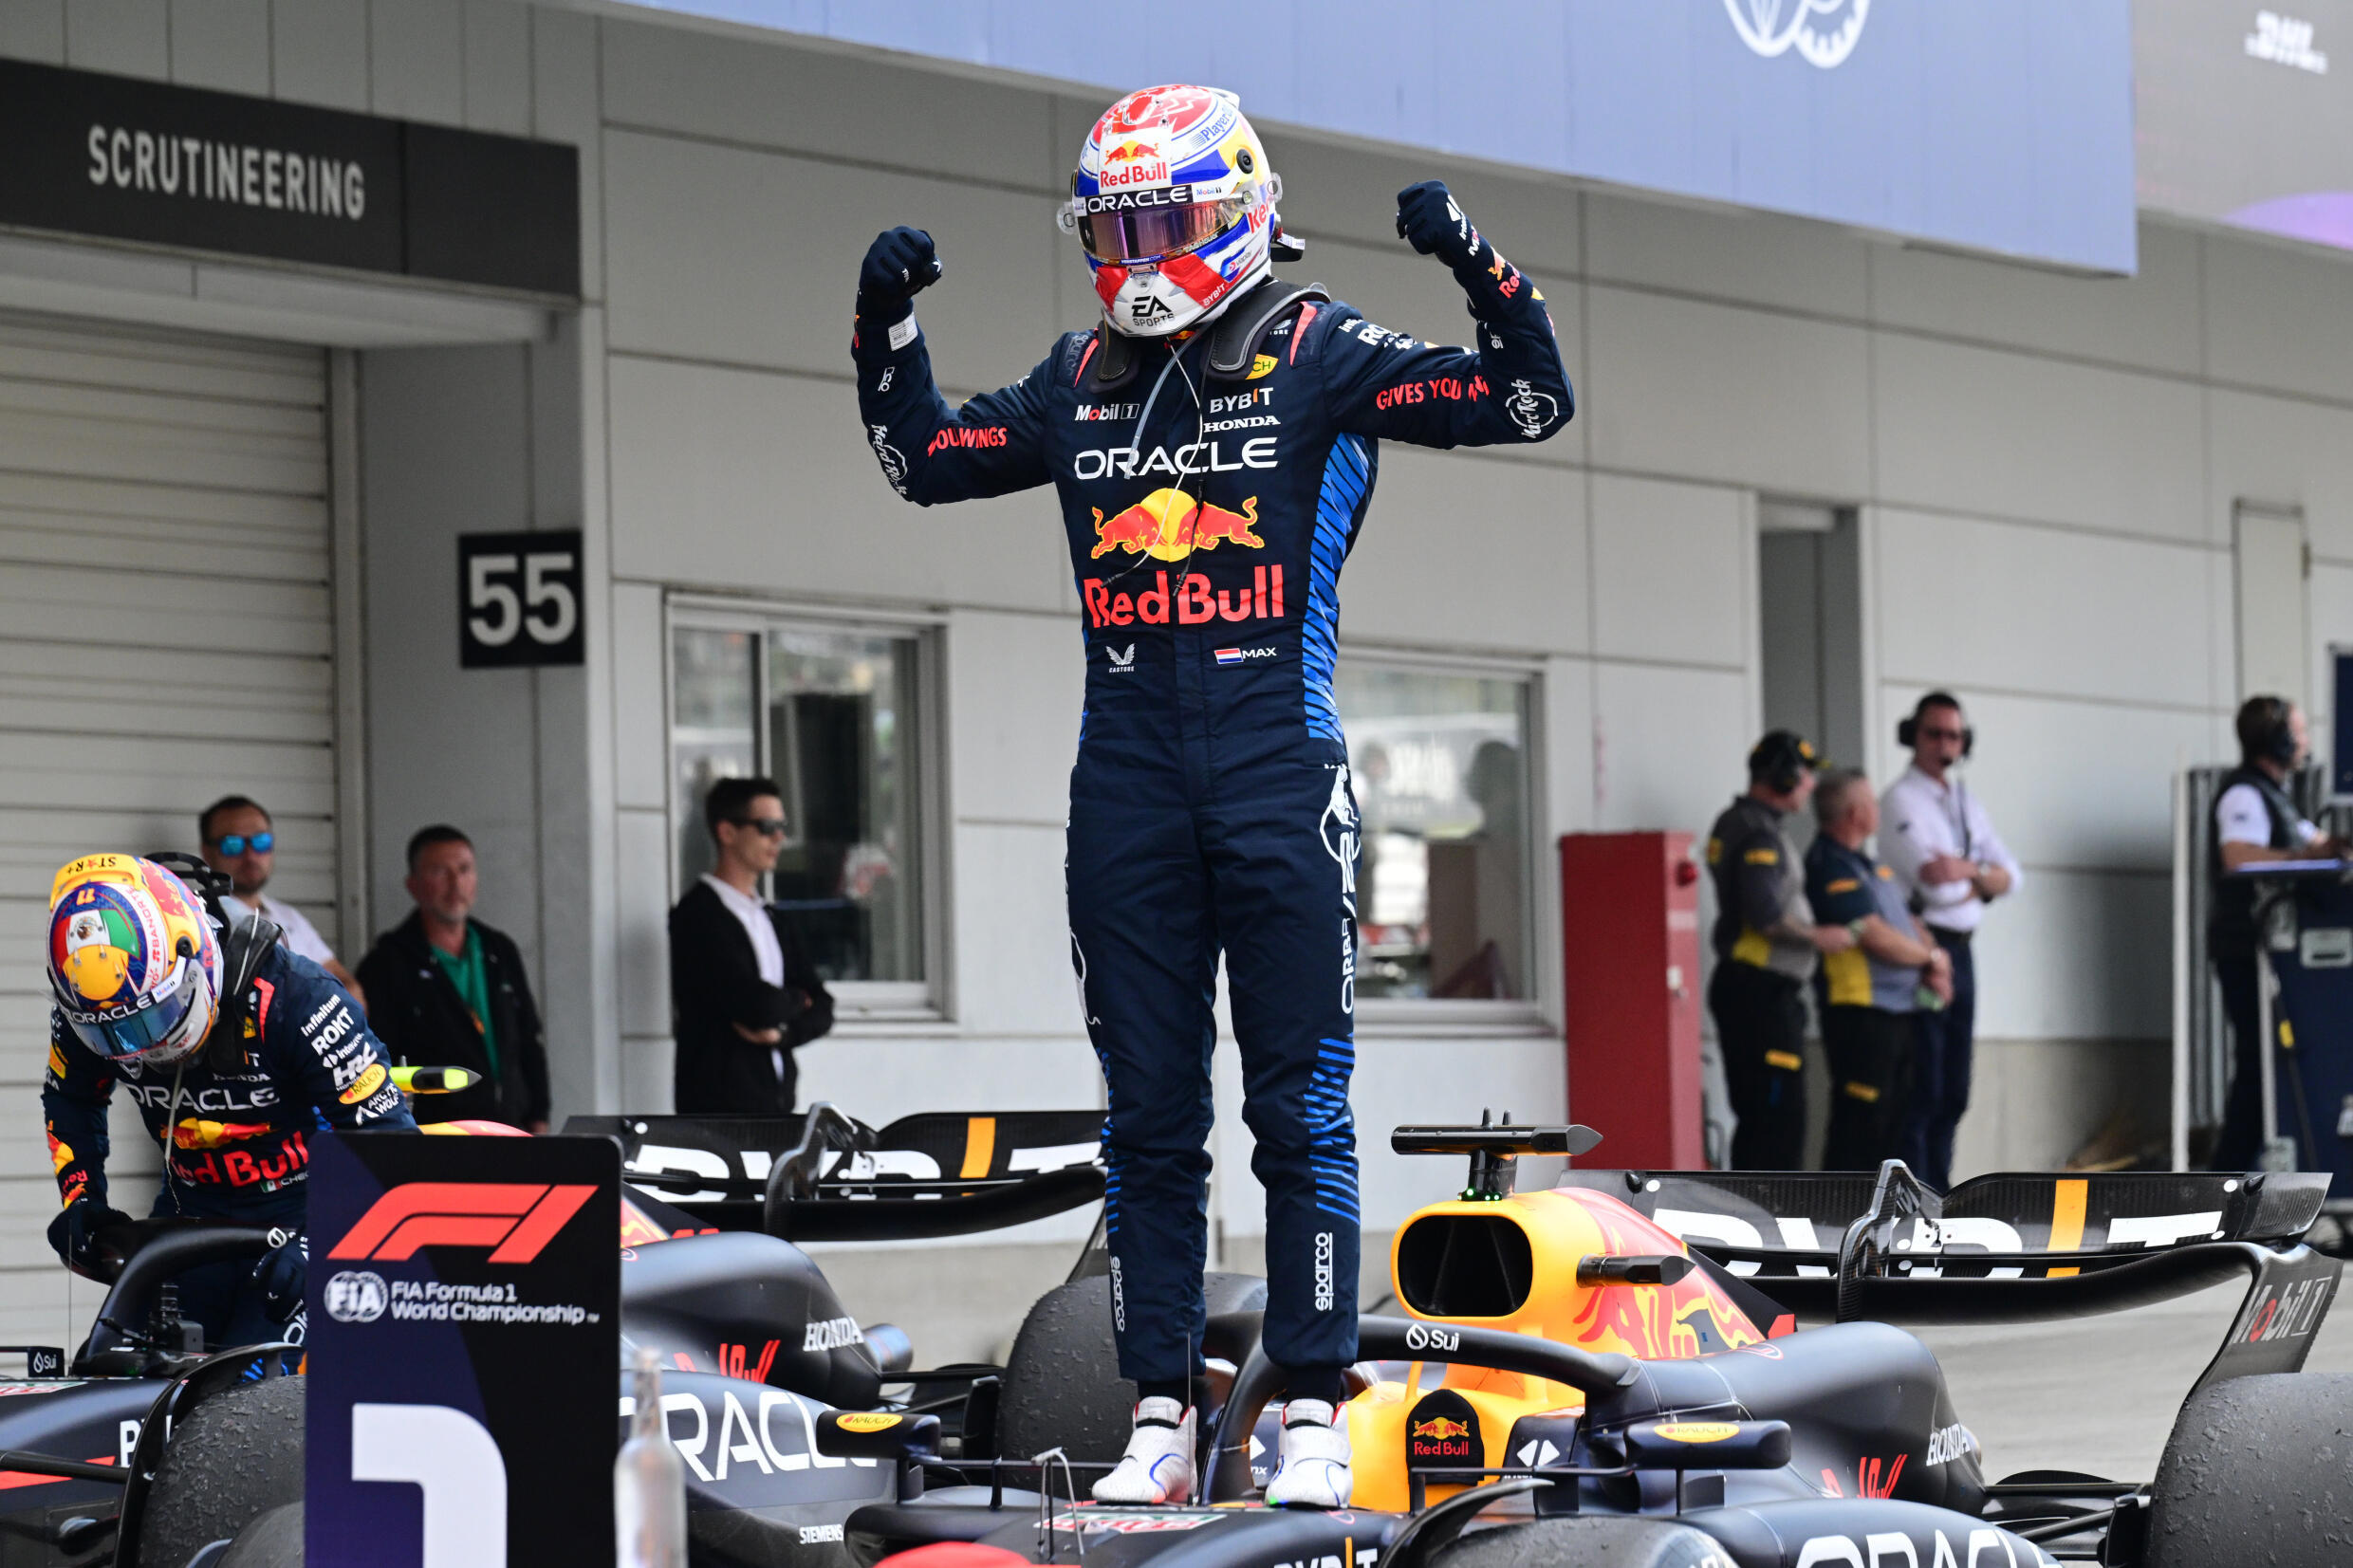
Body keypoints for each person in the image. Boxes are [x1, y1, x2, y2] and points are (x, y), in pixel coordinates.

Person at [854, 83, 1572, 1507]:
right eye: (1113, 223)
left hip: (1275, 774)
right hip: (1122, 786)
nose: (1135, 249)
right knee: (1147, 1120)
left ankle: (1311, 1402)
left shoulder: (1318, 349)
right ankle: (1160, 1409)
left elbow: (1530, 397)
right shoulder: (1077, 379)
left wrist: (1475, 258)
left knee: (1298, 1107)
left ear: (1236, 211)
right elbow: (923, 459)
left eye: (1162, 218)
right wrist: (886, 326)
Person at [43, 853, 416, 1349]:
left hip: (304, 1211)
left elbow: (392, 1146)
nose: (138, 1046)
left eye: (150, 1020)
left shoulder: (296, 997)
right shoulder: (89, 1000)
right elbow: (70, 1099)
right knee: (126, 1372)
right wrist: (83, 1199)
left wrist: (329, 1242)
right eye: (114, 1033)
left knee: (246, 1394)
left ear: (193, 958)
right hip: (190, 1209)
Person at [1878, 693, 2021, 1191]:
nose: (1944, 745)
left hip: (1963, 947)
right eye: (1933, 733)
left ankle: (1940, 1194)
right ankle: (1913, 1199)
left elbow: (2013, 876)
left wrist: (1968, 870)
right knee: (1925, 1086)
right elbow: (1935, 882)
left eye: (1953, 736)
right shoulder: (1900, 799)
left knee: (1955, 1088)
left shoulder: (1965, 802)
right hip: (1923, 948)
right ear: (1911, 736)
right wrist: (1980, 876)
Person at [1704, 731, 1856, 1170]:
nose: (1811, 786)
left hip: (1753, 992)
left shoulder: (1741, 822)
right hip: (1762, 995)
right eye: (1806, 775)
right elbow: (1766, 914)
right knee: (1776, 1121)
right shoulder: (1757, 833)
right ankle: (1765, 1225)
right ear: (1785, 776)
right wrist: (1818, 936)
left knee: (1765, 1117)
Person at [2207, 696, 2344, 1171]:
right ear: (2278, 739)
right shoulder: (2244, 793)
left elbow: (2316, 842)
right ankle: (2226, 1179)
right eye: (2300, 732)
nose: (2306, 742)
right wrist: (2305, 860)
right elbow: (2238, 856)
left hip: (2273, 955)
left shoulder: (2277, 796)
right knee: (2257, 1069)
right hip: (2249, 951)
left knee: (2274, 1068)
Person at [355, 825, 552, 1133]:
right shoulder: (386, 963)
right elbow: (376, 1062)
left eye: (464, 870)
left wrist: (539, 1117)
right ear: (413, 885)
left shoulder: (499, 949)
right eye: (439, 872)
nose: (455, 883)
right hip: (433, 1139)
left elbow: (530, 1039)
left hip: (511, 1132)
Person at [1805, 771, 1953, 1171]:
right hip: (1861, 1013)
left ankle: (1884, 1221)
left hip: (1897, 1012)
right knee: (1861, 1127)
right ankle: (1842, 1220)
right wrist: (1931, 961)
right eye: (1871, 803)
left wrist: (1935, 960)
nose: (1878, 810)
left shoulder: (1866, 863)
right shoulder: (1829, 864)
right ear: (1855, 814)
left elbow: (1908, 920)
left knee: (1894, 1123)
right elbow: (1875, 935)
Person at [670, 777, 835, 1115]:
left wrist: (783, 1035)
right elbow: (757, 1005)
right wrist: (795, 999)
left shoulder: (771, 917)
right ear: (727, 832)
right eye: (767, 826)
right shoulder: (698, 915)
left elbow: (824, 1006)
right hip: (716, 1112)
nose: (779, 837)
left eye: (781, 826)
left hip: (777, 1106)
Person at [199, 795, 364, 1006]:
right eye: (233, 845)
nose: (250, 855)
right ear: (207, 852)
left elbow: (348, 986)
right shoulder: (201, 921)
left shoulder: (289, 917)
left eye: (261, 842)